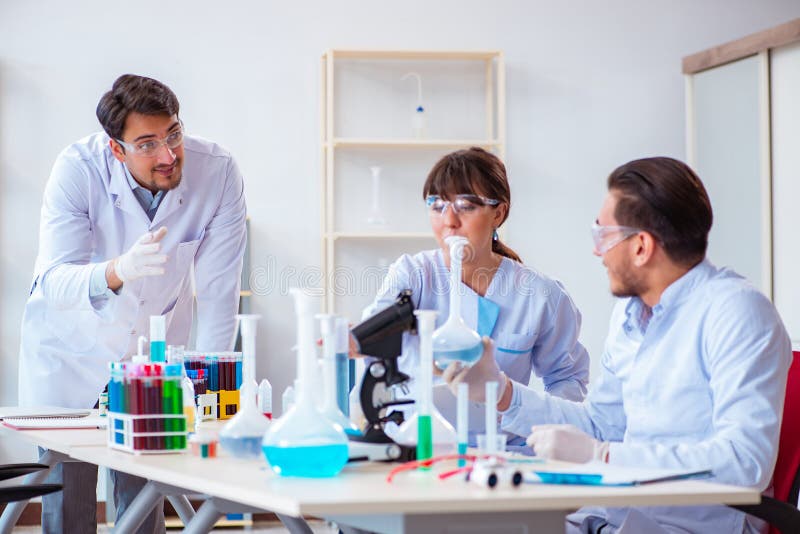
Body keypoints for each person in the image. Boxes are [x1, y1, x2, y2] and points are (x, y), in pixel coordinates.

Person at [444, 156, 791, 533]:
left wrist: (605, 457)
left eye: (603, 236)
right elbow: (600, 425)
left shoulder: (736, 312)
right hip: (614, 514)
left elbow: (745, 463)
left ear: (641, 246)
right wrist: (502, 393)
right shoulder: (632, 314)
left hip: (685, 526)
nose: (597, 251)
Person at [18, 74, 247, 533]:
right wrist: (117, 270)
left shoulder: (218, 171)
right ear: (116, 149)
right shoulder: (78, 169)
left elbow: (220, 293)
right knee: (68, 507)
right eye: (147, 144)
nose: (168, 155)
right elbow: (54, 281)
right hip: (70, 356)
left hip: (151, 362)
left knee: (143, 504)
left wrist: (209, 396)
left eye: (174, 134)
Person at [361, 147, 590, 442]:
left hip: (504, 452)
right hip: (416, 446)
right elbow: (372, 337)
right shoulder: (413, 274)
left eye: (466, 206)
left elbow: (567, 380)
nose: (449, 221)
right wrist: (357, 339)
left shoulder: (540, 295)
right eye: (437, 206)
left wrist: (539, 433)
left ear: (498, 213)